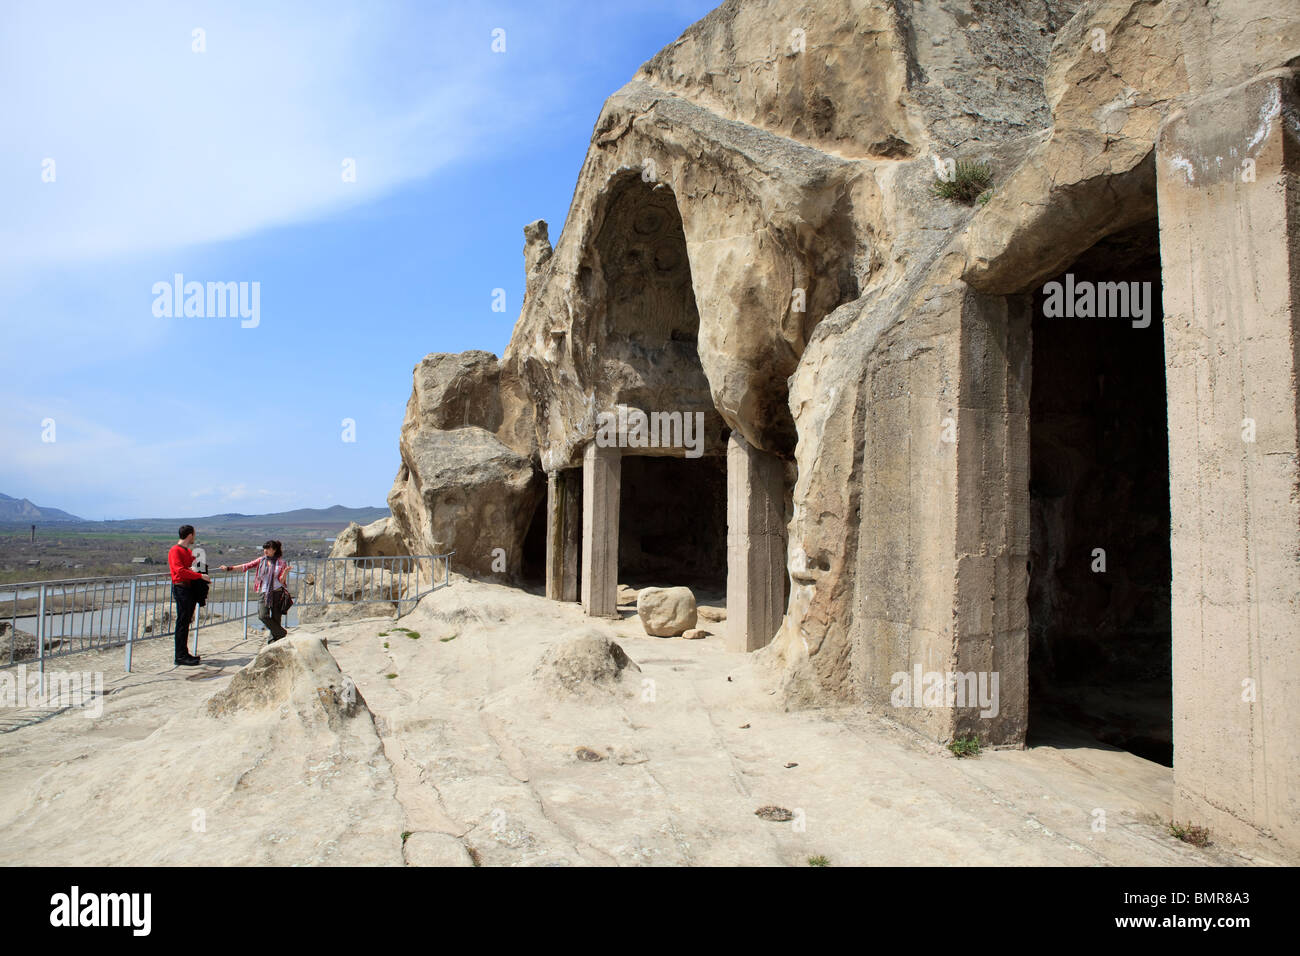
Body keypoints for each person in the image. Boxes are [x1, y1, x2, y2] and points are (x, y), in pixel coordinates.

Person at [221, 540, 291, 644]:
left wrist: (285, 572)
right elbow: (246, 566)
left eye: (268, 548)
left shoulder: (281, 562)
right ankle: (281, 633)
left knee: (276, 618)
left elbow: (281, 580)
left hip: (277, 592)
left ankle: (273, 641)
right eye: (264, 548)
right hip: (264, 592)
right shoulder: (261, 560)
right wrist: (229, 568)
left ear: (274, 550)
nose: (265, 551)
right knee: (263, 615)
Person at [167, 525, 211, 666]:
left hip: (188, 588)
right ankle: (180, 655)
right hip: (181, 588)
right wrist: (199, 575)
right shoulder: (175, 550)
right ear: (190, 535)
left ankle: (184, 653)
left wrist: (196, 570)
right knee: (182, 622)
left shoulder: (188, 551)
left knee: (185, 622)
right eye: (194, 534)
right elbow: (179, 571)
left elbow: (192, 566)